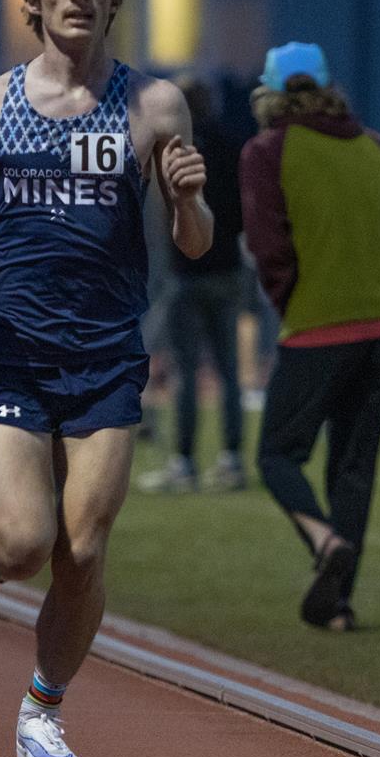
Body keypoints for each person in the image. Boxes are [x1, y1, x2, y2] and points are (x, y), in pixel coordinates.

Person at [0, 0, 211, 757]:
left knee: (86, 545)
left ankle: (43, 708)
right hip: (10, 345)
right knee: (24, 547)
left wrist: (188, 201)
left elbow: (194, 243)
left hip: (108, 351)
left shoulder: (155, 103)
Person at [240, 42, 380, 631]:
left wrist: (291, 297)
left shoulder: (267, 151)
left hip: (317, 326)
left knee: (277, 455)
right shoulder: (378, 148)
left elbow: (268, 245)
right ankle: (340, 604)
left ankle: (322, 542)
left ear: (269, 90)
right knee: (353, 466)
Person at [137, 74, 247, 492]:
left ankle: (183, 464)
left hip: (186, 273)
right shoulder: (233, 145)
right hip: (229, 268)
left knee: (185, 372)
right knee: (229, 371)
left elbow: (166, 215)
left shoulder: (174, 150)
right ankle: (233, 460)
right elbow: (240, 210)